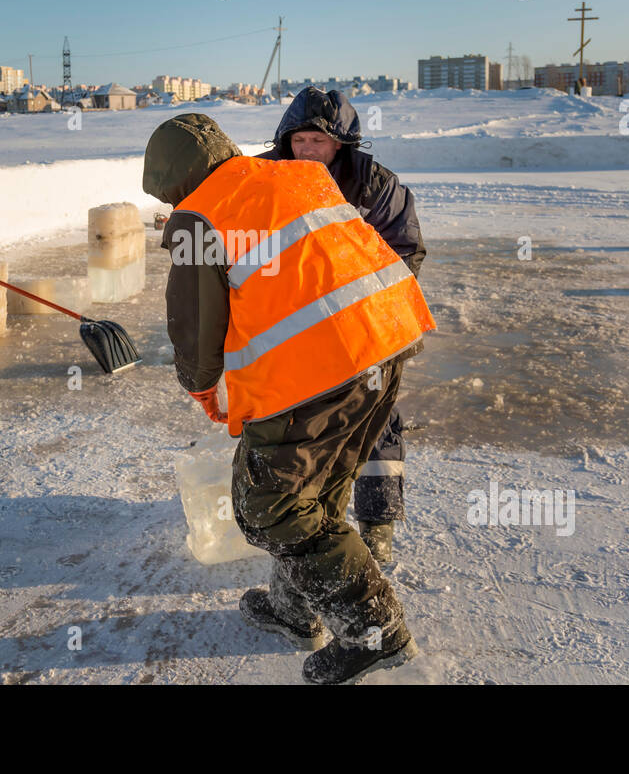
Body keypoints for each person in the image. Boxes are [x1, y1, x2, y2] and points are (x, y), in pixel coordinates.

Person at [143, 112, 436, 684]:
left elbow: (197, 325)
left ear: (171, 180)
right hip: (388, 341)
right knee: (318, 487)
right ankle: (295, 609)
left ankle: (375, 632)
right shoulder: (297, 176)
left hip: (319, 372)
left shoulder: (197, 217)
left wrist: (203, 386)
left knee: (269, 507)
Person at [257, 87, 425, 567]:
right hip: (292, 326)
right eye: (300, 141)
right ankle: (301, 519)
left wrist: (362, 305)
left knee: (377, 418)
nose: (308, 151)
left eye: (319, 142)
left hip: (363, 325)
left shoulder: (373, 184)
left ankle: (378, 523)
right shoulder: (266, 176)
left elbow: (405, 251)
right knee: (300, 424)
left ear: (341, 144)